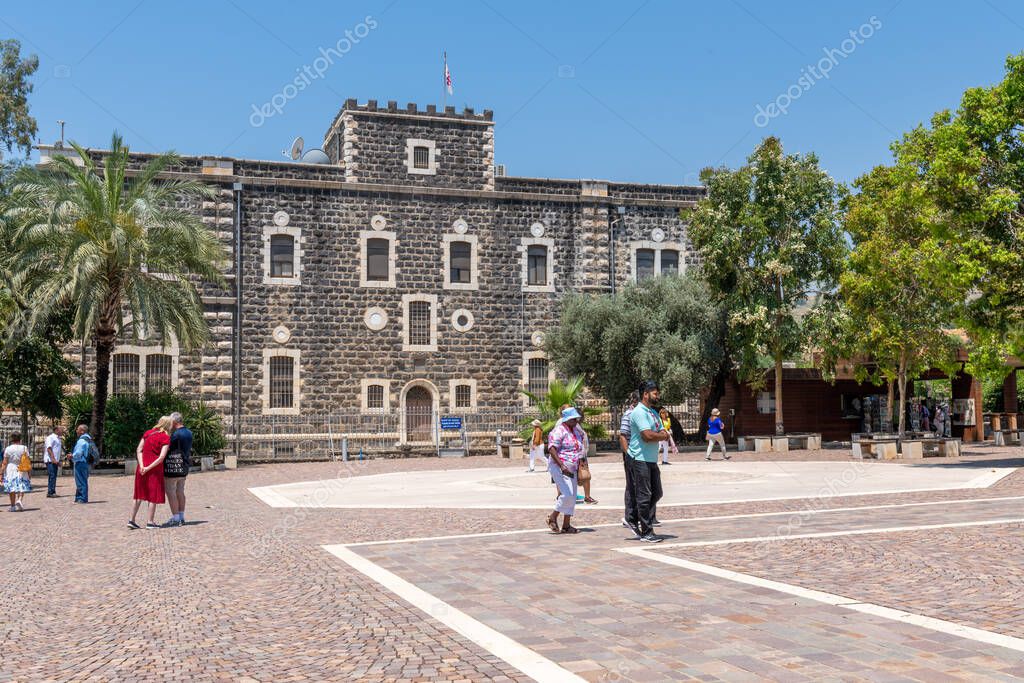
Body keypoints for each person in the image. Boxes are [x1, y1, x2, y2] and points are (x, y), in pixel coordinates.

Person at [628, 380, 670, 543]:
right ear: (645, 394)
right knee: (644, 495)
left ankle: (633, 517)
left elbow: (660, 430)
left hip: (651, 459)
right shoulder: (639, 412)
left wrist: (661, 434)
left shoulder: (652, 412)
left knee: (657, 492)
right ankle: (646, 532)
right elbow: (648, 436)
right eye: (654, 392)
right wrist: (663, 435)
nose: (657, 395)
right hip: (639, 459)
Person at [545, 407, 587, 534]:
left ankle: (566, 525)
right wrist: (562, 466)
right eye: (574, 419)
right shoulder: (558, 431)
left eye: (576, 419)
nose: (576, 421)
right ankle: (553, 517)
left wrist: (581, 463)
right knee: (567, 494)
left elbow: (579, 447)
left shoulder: (575, 430)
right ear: (567, 419)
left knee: (572, 496)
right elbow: (551, 449)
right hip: (559, 467)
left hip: (572, 467)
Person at [129, 416, 172, 530]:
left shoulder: (148, 433)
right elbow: (161, 457)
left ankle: (132, 520)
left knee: (138, 494)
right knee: (153, 494)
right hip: (154, 468)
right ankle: (150, 521)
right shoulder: (165, 437)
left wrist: (142, 465)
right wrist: (148, 468)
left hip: (141, 467)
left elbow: (139, 450)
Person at [163, 411, 193, 527]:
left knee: (170, 491)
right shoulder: (189, 433)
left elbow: (168, 448)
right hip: (184, 466)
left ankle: (175, 518)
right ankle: (181, 516)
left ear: (174, 421)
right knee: (180, 491)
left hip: (173, 467)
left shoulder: (176, 435)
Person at [2, 433, 31, 512]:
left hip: (11, 468)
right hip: (22, 467)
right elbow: (27, 460)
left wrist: (1, 472)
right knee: (22, 484)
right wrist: (29, 472)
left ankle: (12, 506)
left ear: (12, 439)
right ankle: (20, 500)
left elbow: (5, 462)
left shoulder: (8, 448)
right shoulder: (24, 448)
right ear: (20, 439)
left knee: (12, 487)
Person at [70, 424, 95, 504]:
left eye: (78, 429)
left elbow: (78, 453)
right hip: (86, 463)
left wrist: (71, 456)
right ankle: (79, 497)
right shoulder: (89, 439)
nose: (76, 431)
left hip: (80, 462)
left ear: (82, 431)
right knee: (83, 480)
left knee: (80, 481)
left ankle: (82, 498)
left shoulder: (81, 441)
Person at [44, 426, 64, 498]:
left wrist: (58, 460)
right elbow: (49, 448)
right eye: (61, 430)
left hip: (55, 460)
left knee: (53, 476)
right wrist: (53, 459)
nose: (63, 431)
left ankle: (51, 491)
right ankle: (51, 492)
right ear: (56, 430)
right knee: (52, 475)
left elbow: (57, 450)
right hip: (50, 460)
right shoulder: (50, 437)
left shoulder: (58, 439)